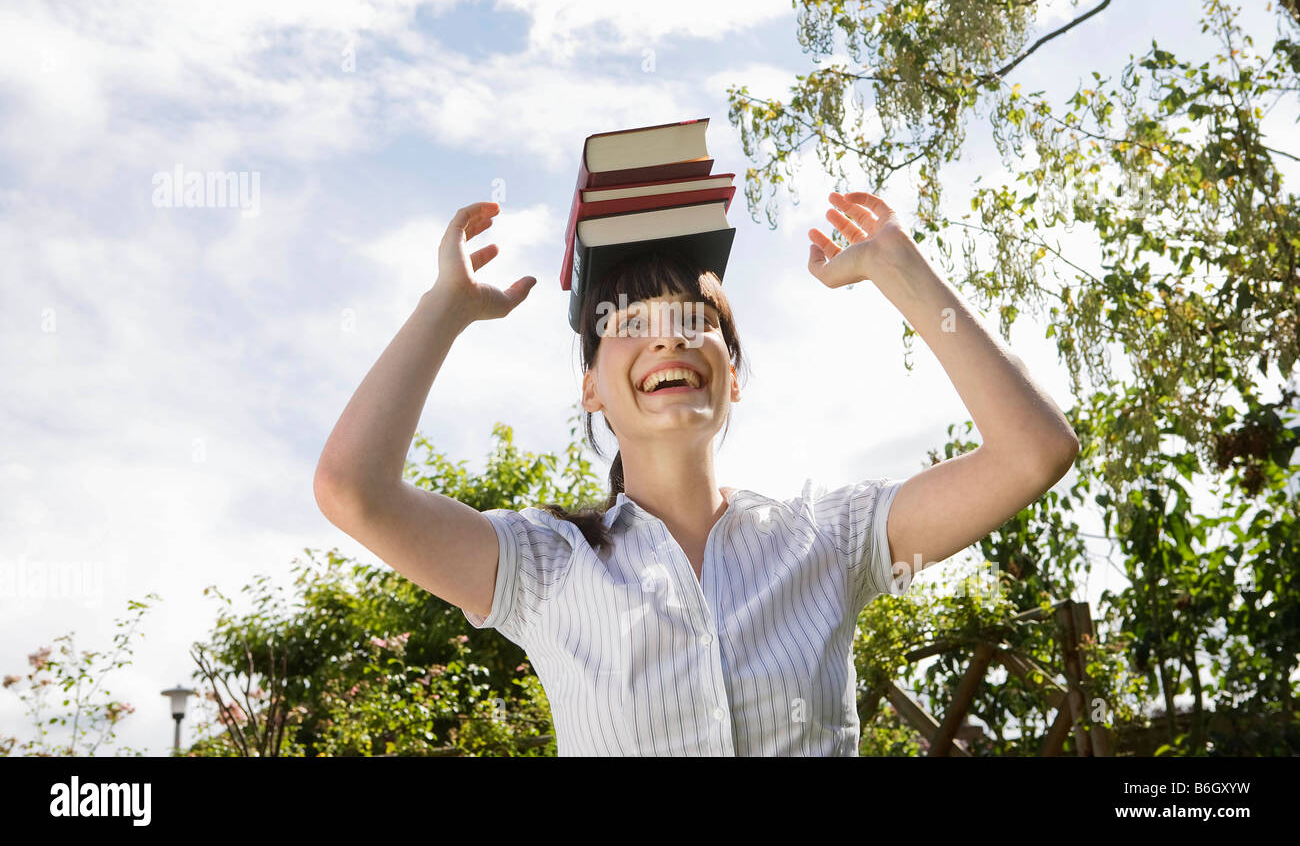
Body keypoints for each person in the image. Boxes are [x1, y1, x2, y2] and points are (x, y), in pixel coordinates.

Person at [314, 194, 1081, 756]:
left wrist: (897, 267)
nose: (668, 339)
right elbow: (353, 491)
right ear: (592, 389)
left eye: (694, 319)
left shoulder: (829, 539)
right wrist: (444, 308)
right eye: (631, 325)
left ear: (733, 375)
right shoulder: (544, 564)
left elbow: (1033, 452)